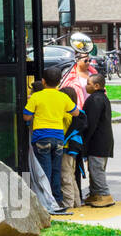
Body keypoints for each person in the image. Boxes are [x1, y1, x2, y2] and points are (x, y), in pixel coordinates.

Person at [23, 66, 81, 213]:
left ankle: (47, 203)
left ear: (43, 81)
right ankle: (57, 199)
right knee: (56, 170)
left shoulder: (37, 97)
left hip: (41, 137)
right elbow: (75, 112)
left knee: (44, 171)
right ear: (59, 82)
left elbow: (26, 116)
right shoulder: (63, 96)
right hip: (59, 139)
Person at [83, 73, 115, 207]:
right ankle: (95, 194)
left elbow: (90, 123)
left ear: (96, 86)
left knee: (96, 169)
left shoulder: (95, 99)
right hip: (104, 140)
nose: (86, 86)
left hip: (97, 141)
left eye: (88, 84)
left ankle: (104, 195)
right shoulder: (102, 98)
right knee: (94, 168)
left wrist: (84, 140)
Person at [59, 87, 86, 209]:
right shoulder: (77, 114)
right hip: (73, 150)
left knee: (65, 178)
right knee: (71, 176)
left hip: (66, 148)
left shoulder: (66, 114)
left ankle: (68, 205)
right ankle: (77, 203)